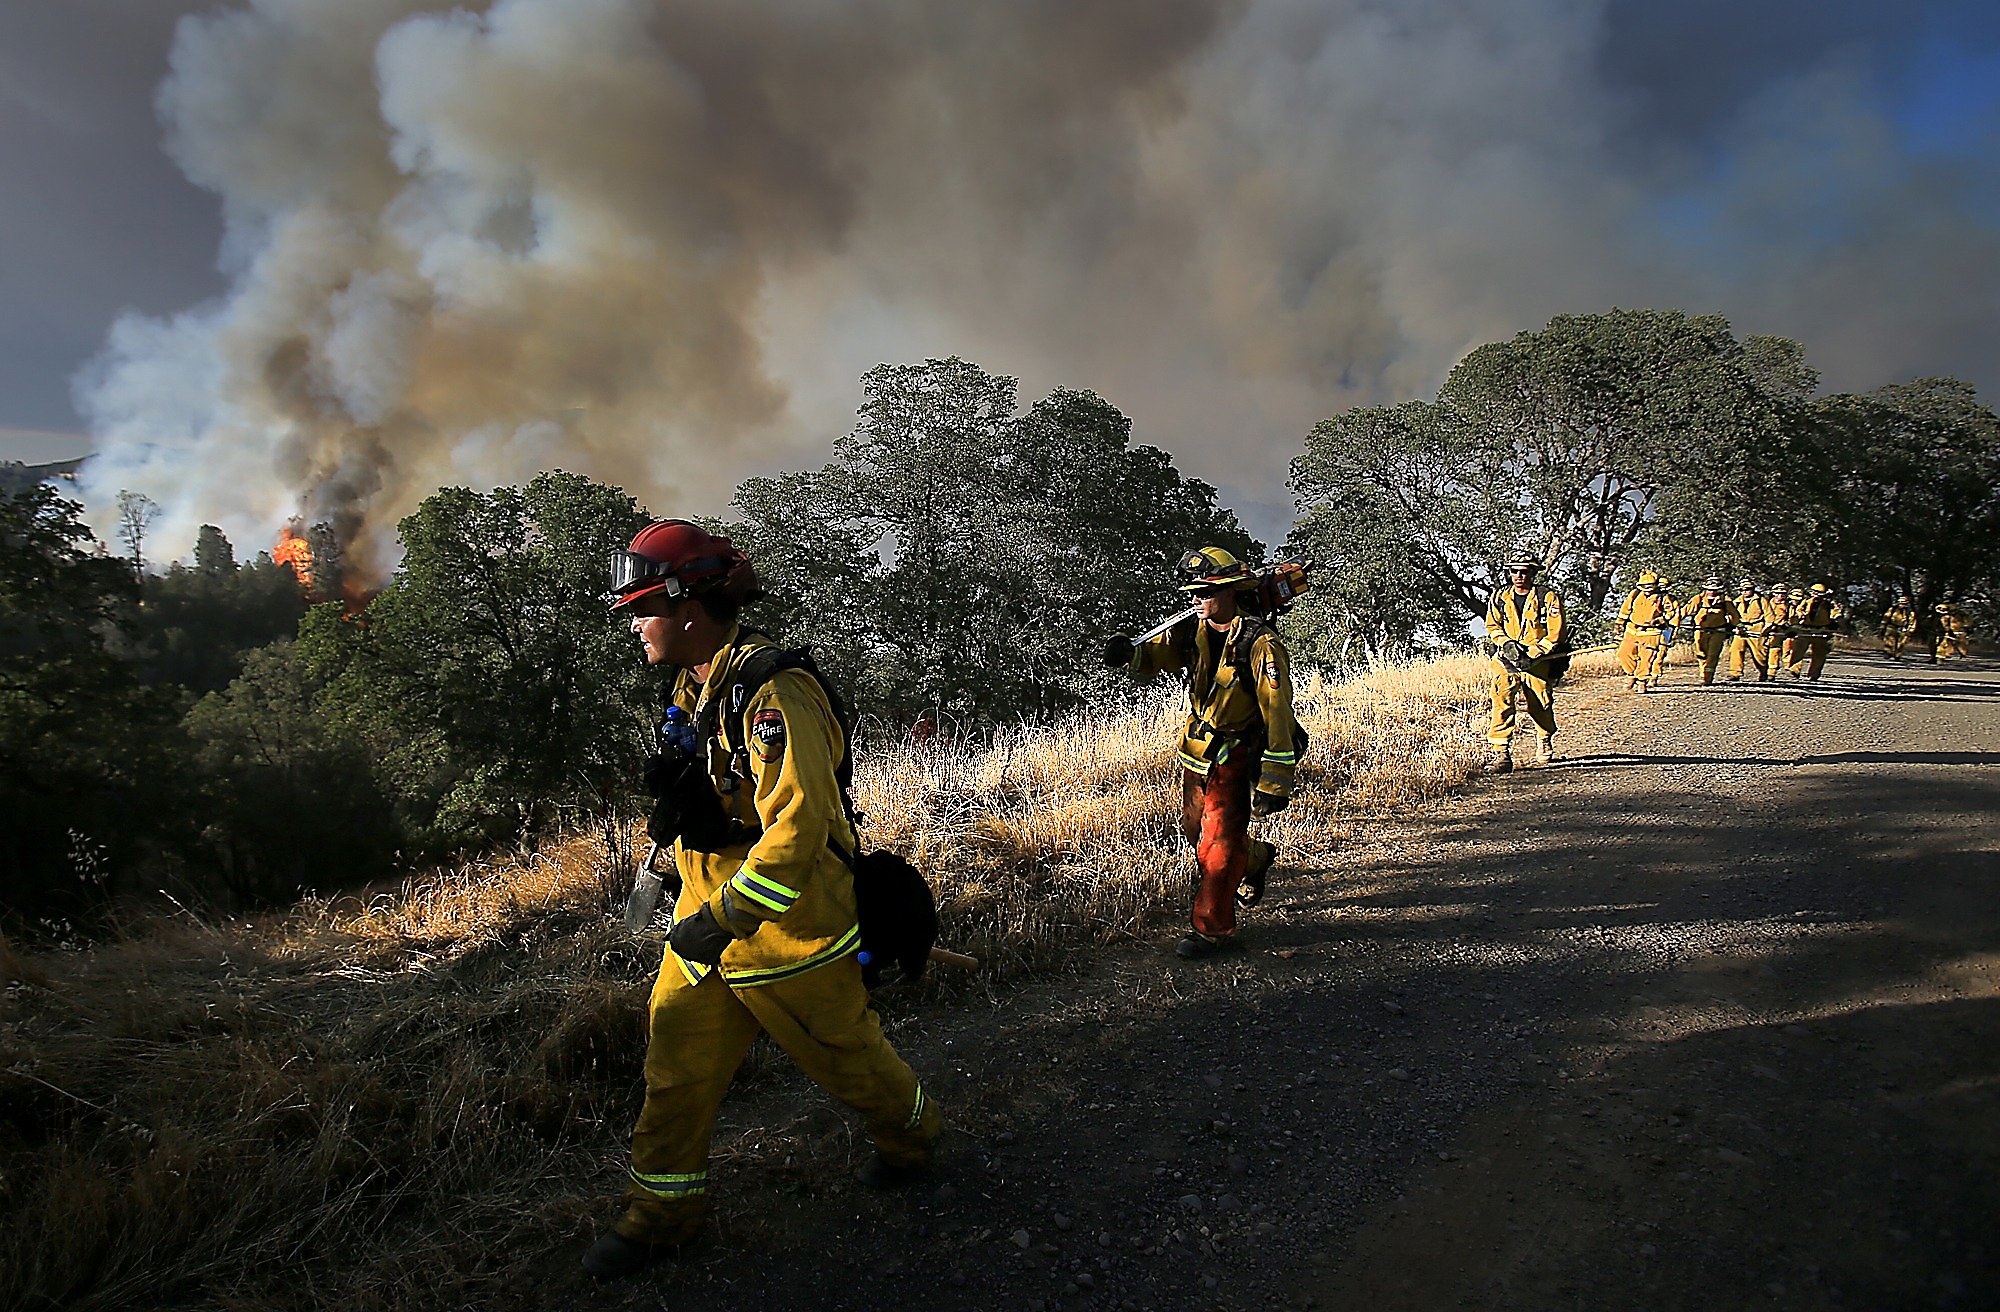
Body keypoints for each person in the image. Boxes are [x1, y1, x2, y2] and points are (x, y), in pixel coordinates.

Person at [585, 519, 942, 1280]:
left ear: (687, 609)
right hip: (705, 926)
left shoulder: (775, 696)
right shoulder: (694, 689)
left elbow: (800, 825)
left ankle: (914, 1140)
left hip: (790, 930)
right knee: (675, 1070)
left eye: (642, 610)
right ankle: (660, 1216)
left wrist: (730, 916)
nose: (635, 627)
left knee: (847, 1061)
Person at [1104, 546, 1299, 959]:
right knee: (1198, 836)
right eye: (1191, 590)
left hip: (1235, 754)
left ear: (1228, 591)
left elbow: (1278, 711)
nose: (1194, 598)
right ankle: (1257, 857)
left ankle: (1212, 930)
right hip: (1196, 751)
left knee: (1217, 848)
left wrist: (1275, 778)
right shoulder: (1192, 631)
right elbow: (1155, 656)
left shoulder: (1260, 644)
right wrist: (1129, 654)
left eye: (1203, 591)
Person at [1481, 556, 1566, 772]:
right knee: (1502, 702)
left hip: (1537, 660)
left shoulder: (1547, 597)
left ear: (1533, 573)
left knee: (1541, 703)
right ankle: (1502, 753)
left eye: (1525, 571)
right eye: (1514, 571)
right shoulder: (1500, 596)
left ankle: (1544, 737)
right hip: (1506, 659)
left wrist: (1537, 650)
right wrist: (1506, 643)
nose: (1519, 576)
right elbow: (1493, 625)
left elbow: (1556, 630)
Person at [1615, 570, 1673, 692]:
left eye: (1649, 586)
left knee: (1646, 658)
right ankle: (1631, 675)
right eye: (1643, 587)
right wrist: (1619, 622)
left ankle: (1642, 681)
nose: (1646, 589)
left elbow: (1671, 613)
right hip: (1632, 629)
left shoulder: (1663, 598)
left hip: (1651, 632)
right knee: (1624, 653)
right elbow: (1626, 609)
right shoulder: (1635, 594)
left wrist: (1662, 620)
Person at [1785, 582, 1842, 680]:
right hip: (1805, 628)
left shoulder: (1828, 604)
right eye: (1814, 592)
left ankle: (1814, 674)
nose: (1816, 595)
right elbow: (1799, 610)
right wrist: (1800, 614)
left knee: (1819, 653)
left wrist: (1836, 619)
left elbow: (1836, 612)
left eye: (1819, 593)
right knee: (1798, 649)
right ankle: (1794, 669)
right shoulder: (1806, 601)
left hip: (1821, 629)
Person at [1685, 578, 1736, 685]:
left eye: (1715, 589)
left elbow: (1735, 616)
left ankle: (1707, 678)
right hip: (1700, 630)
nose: (1712, 592)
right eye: (1709, 589)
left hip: (1718, 631)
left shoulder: (1725, 601)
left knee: (1713, 655)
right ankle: (1703, 672)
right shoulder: (1698, 599)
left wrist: (1739, 627)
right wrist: (1672, 622)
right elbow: (1685, 610)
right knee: (1701, 653)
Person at [1728, 580, 1772, 682]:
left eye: (1747, 589)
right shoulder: (1737, 601)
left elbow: (1769, 617)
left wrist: (1765, 630)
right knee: (1736, 650)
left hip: (1757, 628)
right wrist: (1735, 626)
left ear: (1752, 590)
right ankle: (1735, 673)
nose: (1745, 592)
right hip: (1741, 628)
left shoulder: (1761, 600)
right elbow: (1732, 615)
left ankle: (1763, 671)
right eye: (1742, 590)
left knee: (1759, 654)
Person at [1881, 595, 1918, 660]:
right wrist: (1883, 626)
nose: (1901, 605)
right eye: (1900, 603)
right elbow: (1886, 617)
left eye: (1903, 603)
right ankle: (1888, 653)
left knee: (1901, 643)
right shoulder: (1892, 609)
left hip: (1903, 628)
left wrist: (1910, 630)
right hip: (1892, 626)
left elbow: (1912, 621)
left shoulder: (1910, 612)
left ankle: (1897, 655)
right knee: (1889, 641)